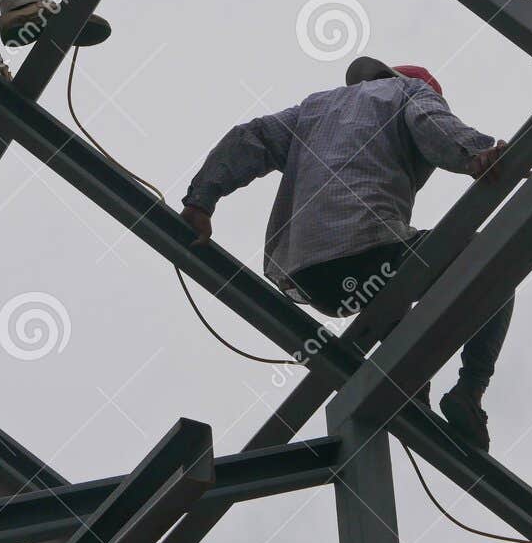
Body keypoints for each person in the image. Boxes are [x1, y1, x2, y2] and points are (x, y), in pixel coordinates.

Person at [180, 56, 512, 450]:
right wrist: (478, 154)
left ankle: (411, 385)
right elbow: (433, 125)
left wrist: (201, 200)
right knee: (493, 259)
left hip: (311, 278)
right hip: (372, 251)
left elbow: (250, 138)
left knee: (394, 296)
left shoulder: (311, 110)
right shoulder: (407, 91)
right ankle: (469, 391)